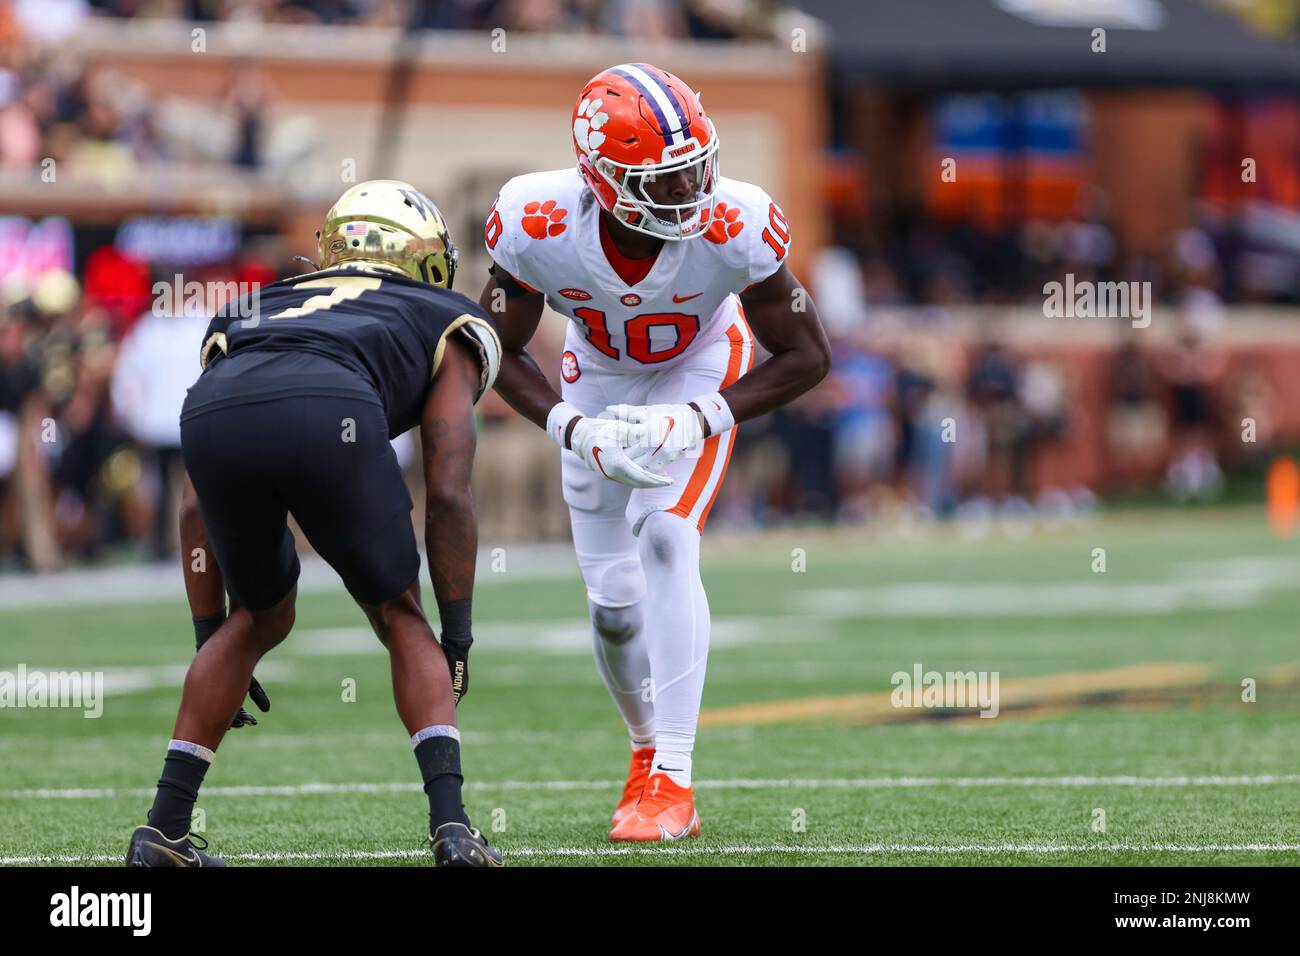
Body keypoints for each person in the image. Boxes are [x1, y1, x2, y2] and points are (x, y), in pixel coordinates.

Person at [481, 64, 830, 842]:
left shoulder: (737, 221)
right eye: (666, 181)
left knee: (667, 535)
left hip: (699, 367)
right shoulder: (535, 221)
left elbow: (808, 354)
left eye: (696, 169)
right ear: (600, 177)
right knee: (611, 607)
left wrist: (701, 417)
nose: (691, 193)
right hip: (595, 381)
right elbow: (490, 347)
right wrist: (572, 427)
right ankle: (644, 754)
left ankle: (674, 777)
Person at [125, 180, 504, 867]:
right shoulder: (447, 314)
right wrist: (457, 634)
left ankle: (164, 830)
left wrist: (213, 638)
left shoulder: (249, 308)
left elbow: (190, 505)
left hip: (216, 413)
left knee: (260, 616)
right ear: (421, 255)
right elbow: (448, 489)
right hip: (333, 407)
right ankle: (452, 828)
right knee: (398, 613)